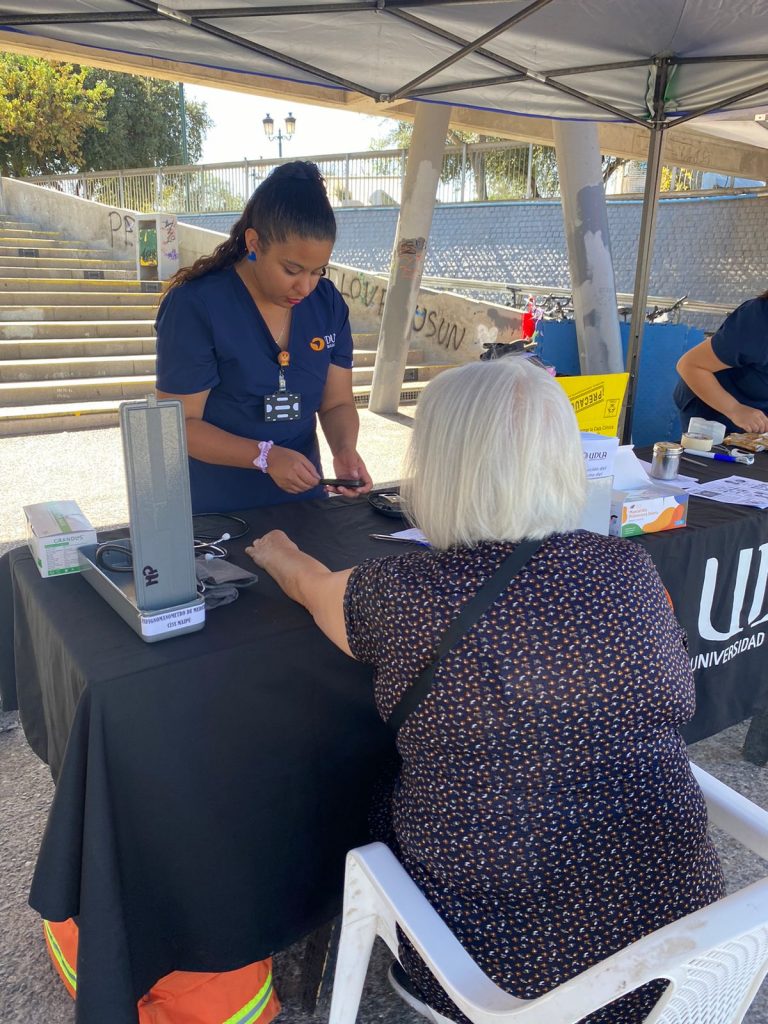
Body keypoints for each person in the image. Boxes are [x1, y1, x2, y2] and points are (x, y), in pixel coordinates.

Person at [245, 357, 725, 1024]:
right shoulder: (630, 568)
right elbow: (675, 698)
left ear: (438, 466)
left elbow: (311, 588)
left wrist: (272, 550)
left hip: (508, 971)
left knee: (358, 793)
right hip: (688, 953)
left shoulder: (403, 593)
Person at [155, 160, 372, 513]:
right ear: (254, 243)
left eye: (318, 271)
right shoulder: (196, 305)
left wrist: (344, 449)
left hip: (303, 503)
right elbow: (180, 425)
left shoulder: (326, 302)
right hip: (218, 510)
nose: (305, 287)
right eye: (291, 270)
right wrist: (265, 456)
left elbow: (336, 403)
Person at [674, 289, 768, 434]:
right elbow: (689, 365)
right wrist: (735, 409)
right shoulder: (759, 321)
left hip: (758, 407)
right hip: (715, 405)